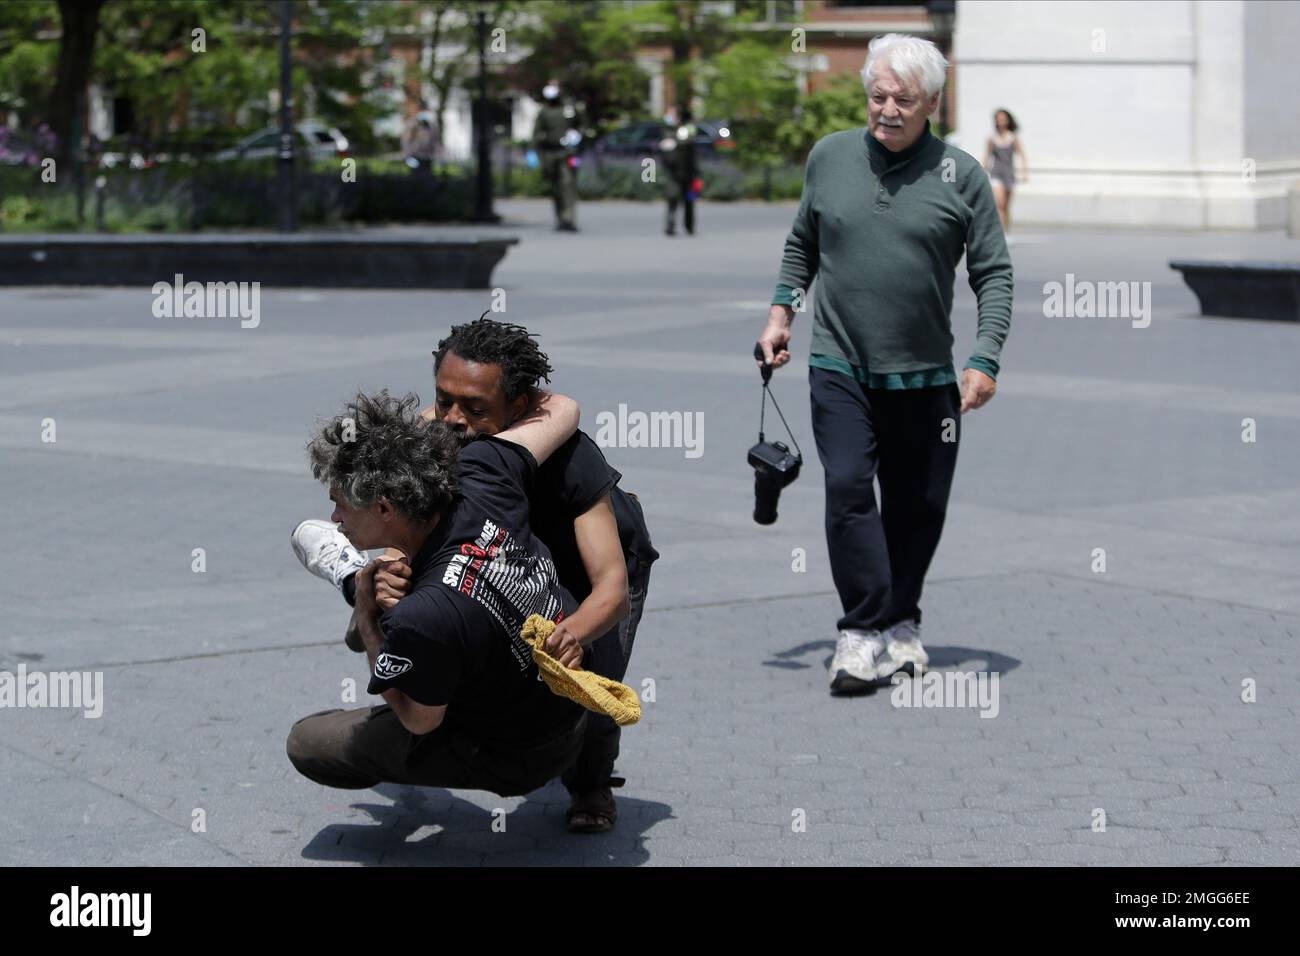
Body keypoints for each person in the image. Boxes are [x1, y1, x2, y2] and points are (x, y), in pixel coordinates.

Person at [292, 318, 658, 832]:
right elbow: (401, 508)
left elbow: (611, 591)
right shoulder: (452, 441)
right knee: (448, 607)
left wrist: (571, 635)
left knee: (593, 679)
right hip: (496, 559)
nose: (452, 419)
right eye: (444, 400)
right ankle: (375, 602)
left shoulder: (571, 460)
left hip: (586, 570)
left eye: (475, 407)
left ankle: (591, 785)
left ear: (521, 405)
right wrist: (395, 564)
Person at [755, 33, 1013, 695]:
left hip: (927, 377)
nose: (887, 109)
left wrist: (985, 358)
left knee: (917, 505)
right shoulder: (831, 157)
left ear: (932, 101)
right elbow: (801, 244)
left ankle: (902, 622)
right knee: (846, 489)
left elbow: (994, 275)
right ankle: (860, 630)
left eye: (904, 98)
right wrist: (781, 314)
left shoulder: (962, 176)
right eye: (877, 95)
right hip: (839, 365)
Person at [286, 388, 591, 799]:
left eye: (340, 505)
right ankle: (370, 582)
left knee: (307, 741)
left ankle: (355, 581)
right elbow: (563, 407)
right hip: (570, 703)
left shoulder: (423, 617)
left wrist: (367, 619)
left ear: (384, 508)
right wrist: (394, 439)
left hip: (517, 756)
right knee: (421, 607)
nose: (334, 518)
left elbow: (418, 721)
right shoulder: (484, 469)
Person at [532, 80, 580, 232]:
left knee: (567, 184)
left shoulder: (569, 108)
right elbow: (536, 132)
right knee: (555, 188)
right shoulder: (544, 111)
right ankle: (560, 218)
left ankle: (569, 219)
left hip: (567, 152)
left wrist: (577, 135)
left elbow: (581, 124)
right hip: (550, 152)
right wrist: (535, 150)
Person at [983, 108, 1027, 232]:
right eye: (998, 119)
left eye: (1003, 119)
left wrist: (1024, 172)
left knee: (1006, 206)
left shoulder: (1013, 138)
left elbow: (1022, 156)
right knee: (1000, 204)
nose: (1001, 121)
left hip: (1009, 174)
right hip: (996, 173)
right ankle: (1001, 233)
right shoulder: (991, 138)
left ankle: (1007, 230)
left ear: (1007, 121)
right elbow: (987, 156)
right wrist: (981, 170)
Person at [659, 107, 699, 236]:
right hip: (672, 173)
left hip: (688, 173)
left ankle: (689, 226)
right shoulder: (666, 130)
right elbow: (663, 150)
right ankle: (670, 226)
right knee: (672, 198)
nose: (670, 117)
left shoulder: (687, 129)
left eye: (672, 115)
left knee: (689, 200)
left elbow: (690, 146)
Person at [401, 107, 439, 175]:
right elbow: (406, 141)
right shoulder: (412, 125)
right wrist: (407, 156)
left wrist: (437, 155)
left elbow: (434, 142)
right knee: (416, 177)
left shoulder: (431, 126)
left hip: (427, 158)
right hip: (415, 156)